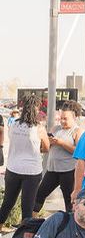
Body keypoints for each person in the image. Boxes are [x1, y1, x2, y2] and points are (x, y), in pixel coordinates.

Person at [0, 94, 48, 227]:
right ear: (36, 109)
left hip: (13, 169)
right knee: (27, 207)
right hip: (32, 172)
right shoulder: (39, 128)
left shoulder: (14, 124)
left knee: (8, 203)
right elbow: (46, 148)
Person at [34, 101, 82, 214]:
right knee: (39, 194)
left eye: (65, 119)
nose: (62, 121)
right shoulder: (55, 129)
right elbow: (46, 146)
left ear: (74, 117)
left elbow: (78, 151)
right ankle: (29, 222)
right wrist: (48, 141)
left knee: (69, 200)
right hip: (52, 169)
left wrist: (61, 143)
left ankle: (72, 227)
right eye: (61, 118)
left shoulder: (77, 131)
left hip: (68, 171)